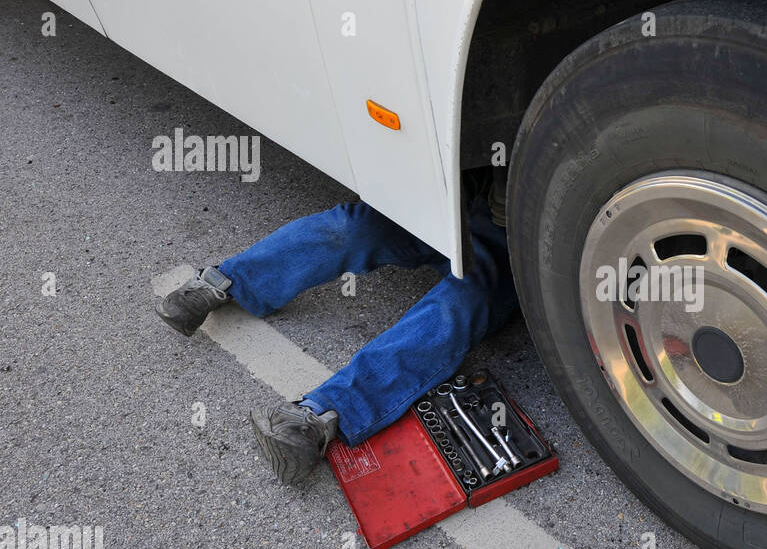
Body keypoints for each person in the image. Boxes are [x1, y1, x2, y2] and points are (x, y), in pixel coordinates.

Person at [155, 180, 516, 484]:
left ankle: (317, 417)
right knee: (353, 229)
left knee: (459, 307)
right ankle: (227, 281)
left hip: (510, 233)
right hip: (458, 190)